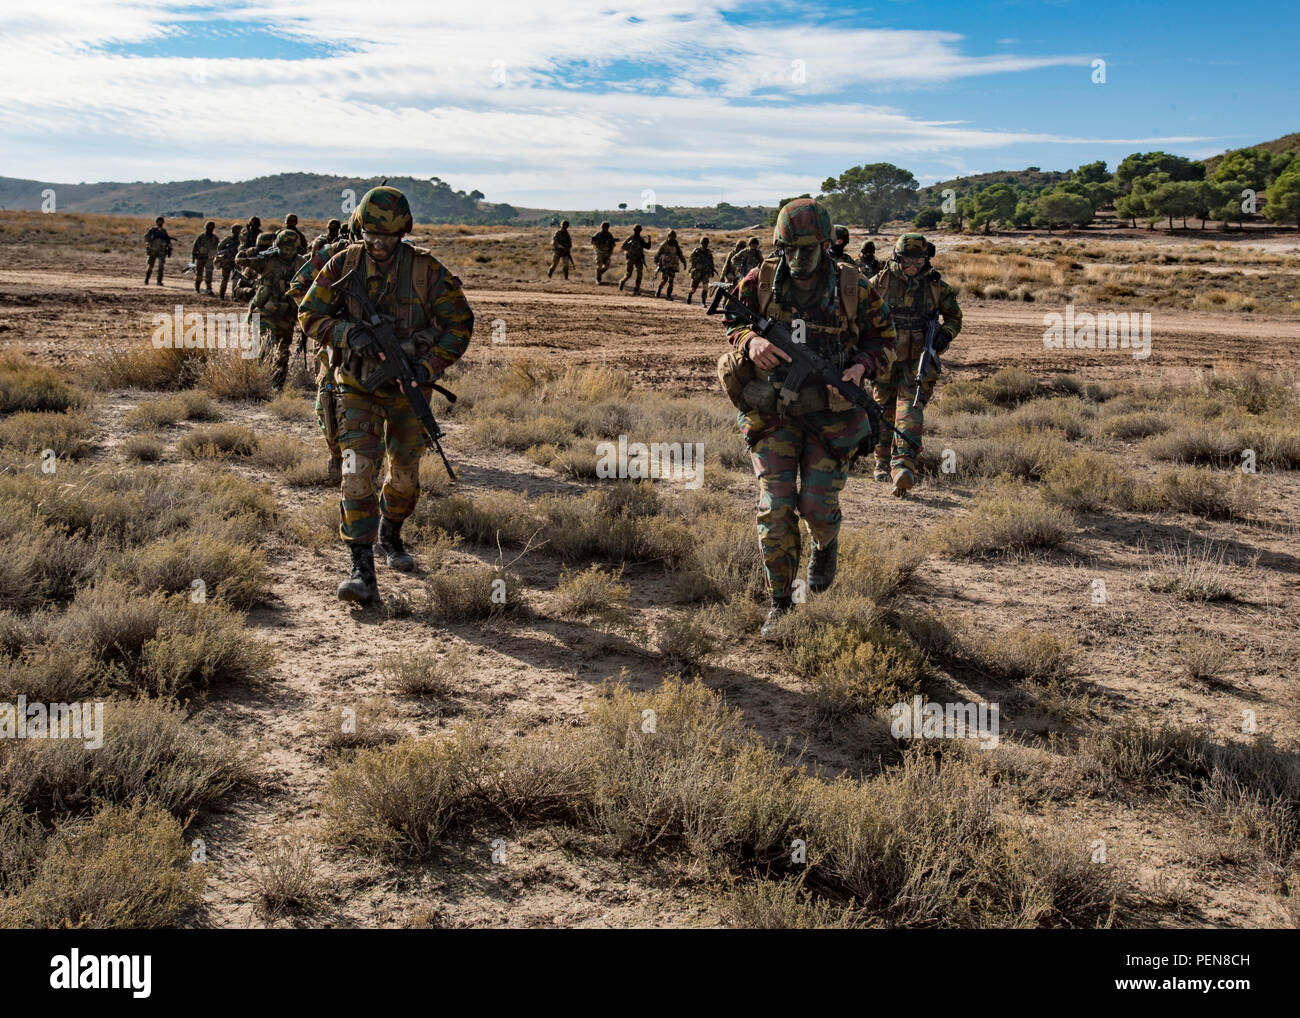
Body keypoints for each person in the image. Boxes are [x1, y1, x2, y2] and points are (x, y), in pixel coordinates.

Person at [720, 197, 895, 638]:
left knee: (817, 505)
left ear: (825, 244)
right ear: (780, 245)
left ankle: (826, 543)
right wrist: (748, 343)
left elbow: (885, 341)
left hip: (831, 417)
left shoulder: (854, 287)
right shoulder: (758, 281)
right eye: (790, 249)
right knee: (776, 506)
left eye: (808, 249)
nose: (798, 259)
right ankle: (782, 601)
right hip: (773, 414)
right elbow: (731, 320)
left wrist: (860, 367)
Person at [298, 185, 473, 605]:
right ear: (360, 229)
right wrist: (345, 332)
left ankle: (390, 532)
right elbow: (309, 313)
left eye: (388, 237)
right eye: (372, 235)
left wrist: (426, 366)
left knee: (406, 476)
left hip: (408, 388)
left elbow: (461, 324)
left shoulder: (426, 271)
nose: (379, 244)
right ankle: (361, 570)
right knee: (357, 470)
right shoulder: (343, 265)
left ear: (403, 233)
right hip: (357, 386)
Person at [867, 233, 962, 496]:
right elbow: (861, 314)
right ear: (897, 258)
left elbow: (955, 316)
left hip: (918, 360)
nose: (912, 267)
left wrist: (945, 334)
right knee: (881, 409)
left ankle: (903, 466)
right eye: (907, 261)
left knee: (910, 410)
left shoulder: (936, 287)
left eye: (918, 261)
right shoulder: (879, 283)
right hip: (886, 358)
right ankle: (881, 461)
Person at [287, 213, 365, 485]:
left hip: (376, 348)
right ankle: (336, 456)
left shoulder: (397, 258)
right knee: (329, 406)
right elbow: (298, 287)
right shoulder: (335, 254)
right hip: (337, 348)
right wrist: (327, 316)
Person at [236, 229, 302, 392]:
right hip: (264, 312)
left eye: (291, 248)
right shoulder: (267, 260)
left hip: (286, 315)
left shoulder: (301, 264)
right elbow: (241, 262)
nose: (287, 251)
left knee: (283, 351)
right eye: (284, 247)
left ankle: (277, 385)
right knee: (264, 344)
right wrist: (246, 253)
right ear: (278, 245)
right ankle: (255, 381)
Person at [654, 230, 688, 300]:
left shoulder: (676, 245)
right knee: (665, 279)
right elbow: (658, 253)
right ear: (668, 236)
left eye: (674, 237)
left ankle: (668, 295)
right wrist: (657, 262)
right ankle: (659, 289)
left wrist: (684, 262)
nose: (672, 238)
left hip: (673, 265)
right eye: (671, 236)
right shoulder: (664, 244)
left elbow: (680, 254)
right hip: (665, 264)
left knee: (671, 281)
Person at [619, 224, 652, 295]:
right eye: (637, 230)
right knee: (628, 274)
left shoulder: (640, 239)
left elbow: (647, 247)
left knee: (639, 274)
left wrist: (649, 240)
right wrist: (630, 247)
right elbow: (623, 246)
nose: (638, 232)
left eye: (639, 231)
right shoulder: (630, 238)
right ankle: (622, 282)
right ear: (634, 230)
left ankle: (637, 288)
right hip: (631, 258)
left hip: (639, 259)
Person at [190, 220, 220, 295]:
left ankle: (208, 288)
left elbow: (218, 249)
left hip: (209, 259)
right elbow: (194, 248)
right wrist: (193, 261)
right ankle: (197, 288)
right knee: (199, 274)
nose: (210, 229)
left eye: (211, 228)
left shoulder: (215, 238)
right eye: (209, 227)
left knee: (209, 274)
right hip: (200, 258)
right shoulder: (201, 237)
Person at [215, 224, 242, 300]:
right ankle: (222, 295)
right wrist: (226, 253)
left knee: (236, 279)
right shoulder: (228, 240)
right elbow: (219, 249)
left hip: (236, 262)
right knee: (226, 278)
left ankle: (234, 296)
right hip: (227, 261)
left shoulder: (241, 241)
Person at [686, 236, 716, 305]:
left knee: (705, 288)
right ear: (701, 243)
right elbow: (690, 259)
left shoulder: (708, 253)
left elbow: (711, 262)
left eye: (706, 243)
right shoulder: (697, 251)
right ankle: (689, 296)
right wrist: (697, 259)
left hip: (705, 272)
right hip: (697, 272)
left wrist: (712, 270)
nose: (705, 245)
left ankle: (703, 302)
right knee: (693, 288)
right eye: (704, 243)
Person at [143, 216, 172, 286]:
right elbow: (145, 238)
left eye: (161, 222)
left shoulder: (164, 232)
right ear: (157, 222)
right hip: (152, 250)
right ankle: (146, 280)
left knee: (161, 267)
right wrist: (152, 237)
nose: (160, 223)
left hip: (161, 251)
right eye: (159, 222)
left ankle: (159, 281)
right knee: (150, 266)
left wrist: (169, 249)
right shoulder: (152, 230)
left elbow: (168, 241)